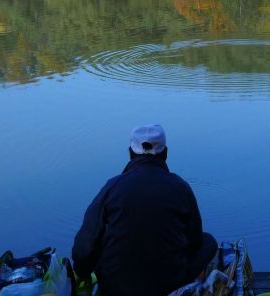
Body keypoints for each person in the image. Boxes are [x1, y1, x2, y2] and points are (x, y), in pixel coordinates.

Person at [73, 125, 217, 296]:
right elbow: (194, 242)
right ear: (165, 153)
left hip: (115, 287)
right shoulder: (180, 187)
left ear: (130, 153)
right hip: (170, 285)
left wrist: (83, 272)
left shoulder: (112, 187)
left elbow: (84, 248)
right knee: (209, 242)